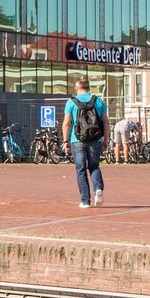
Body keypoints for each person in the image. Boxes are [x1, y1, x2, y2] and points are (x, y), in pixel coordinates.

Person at [61, 76, 108, 209]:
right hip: (96, 139)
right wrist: (106, 140)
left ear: (77, 89)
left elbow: (66, 124)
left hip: (78, 140)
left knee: (80, 170)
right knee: (94, 167)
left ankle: (85, 201)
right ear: (88, 88)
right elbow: (105, 122)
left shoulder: (71, 102)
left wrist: (66, 141)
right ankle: (98, 189)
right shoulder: (98, 101)